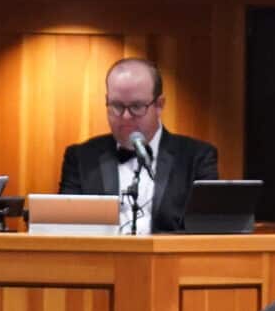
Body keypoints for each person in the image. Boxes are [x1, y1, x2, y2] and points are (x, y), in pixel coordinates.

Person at [57, 58, 218, 233]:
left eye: (137, 106)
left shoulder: (197, 157)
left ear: (159, 105)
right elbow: (66, 228)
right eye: (116, 106)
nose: (126, 116)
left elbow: (207, 230)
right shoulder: (81, 158)